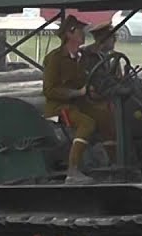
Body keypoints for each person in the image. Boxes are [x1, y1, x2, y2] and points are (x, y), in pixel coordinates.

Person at [43, 16, 115, 183]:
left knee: (106, 117)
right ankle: (72, 171)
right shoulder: (55, 58)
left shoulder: (81, 57)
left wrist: (91, 92)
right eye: (80, 31)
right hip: (58, 108)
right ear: (70, 34)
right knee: (87, 123)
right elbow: (49, 90)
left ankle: (115, 165)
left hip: (79, 104)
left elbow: (84, 83)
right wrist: (77, 93)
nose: (83, 34)